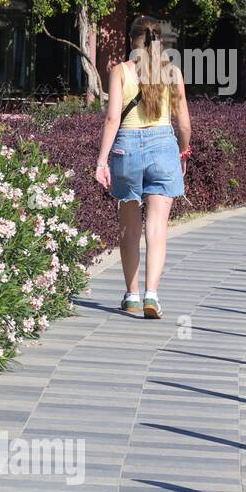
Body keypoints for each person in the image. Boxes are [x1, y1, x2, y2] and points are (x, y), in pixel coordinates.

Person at [94, 17, 192, 319]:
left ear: (131, 40)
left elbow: (112, 119)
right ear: (160, 41)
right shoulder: (172, 72)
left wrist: (101, 161)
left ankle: (132, 295)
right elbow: (184, 124)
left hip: (127, 149)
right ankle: (152, 294)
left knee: (129, 227)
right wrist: (183, 152)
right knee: (157, 227)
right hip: (164, 147)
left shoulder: (120, 71)